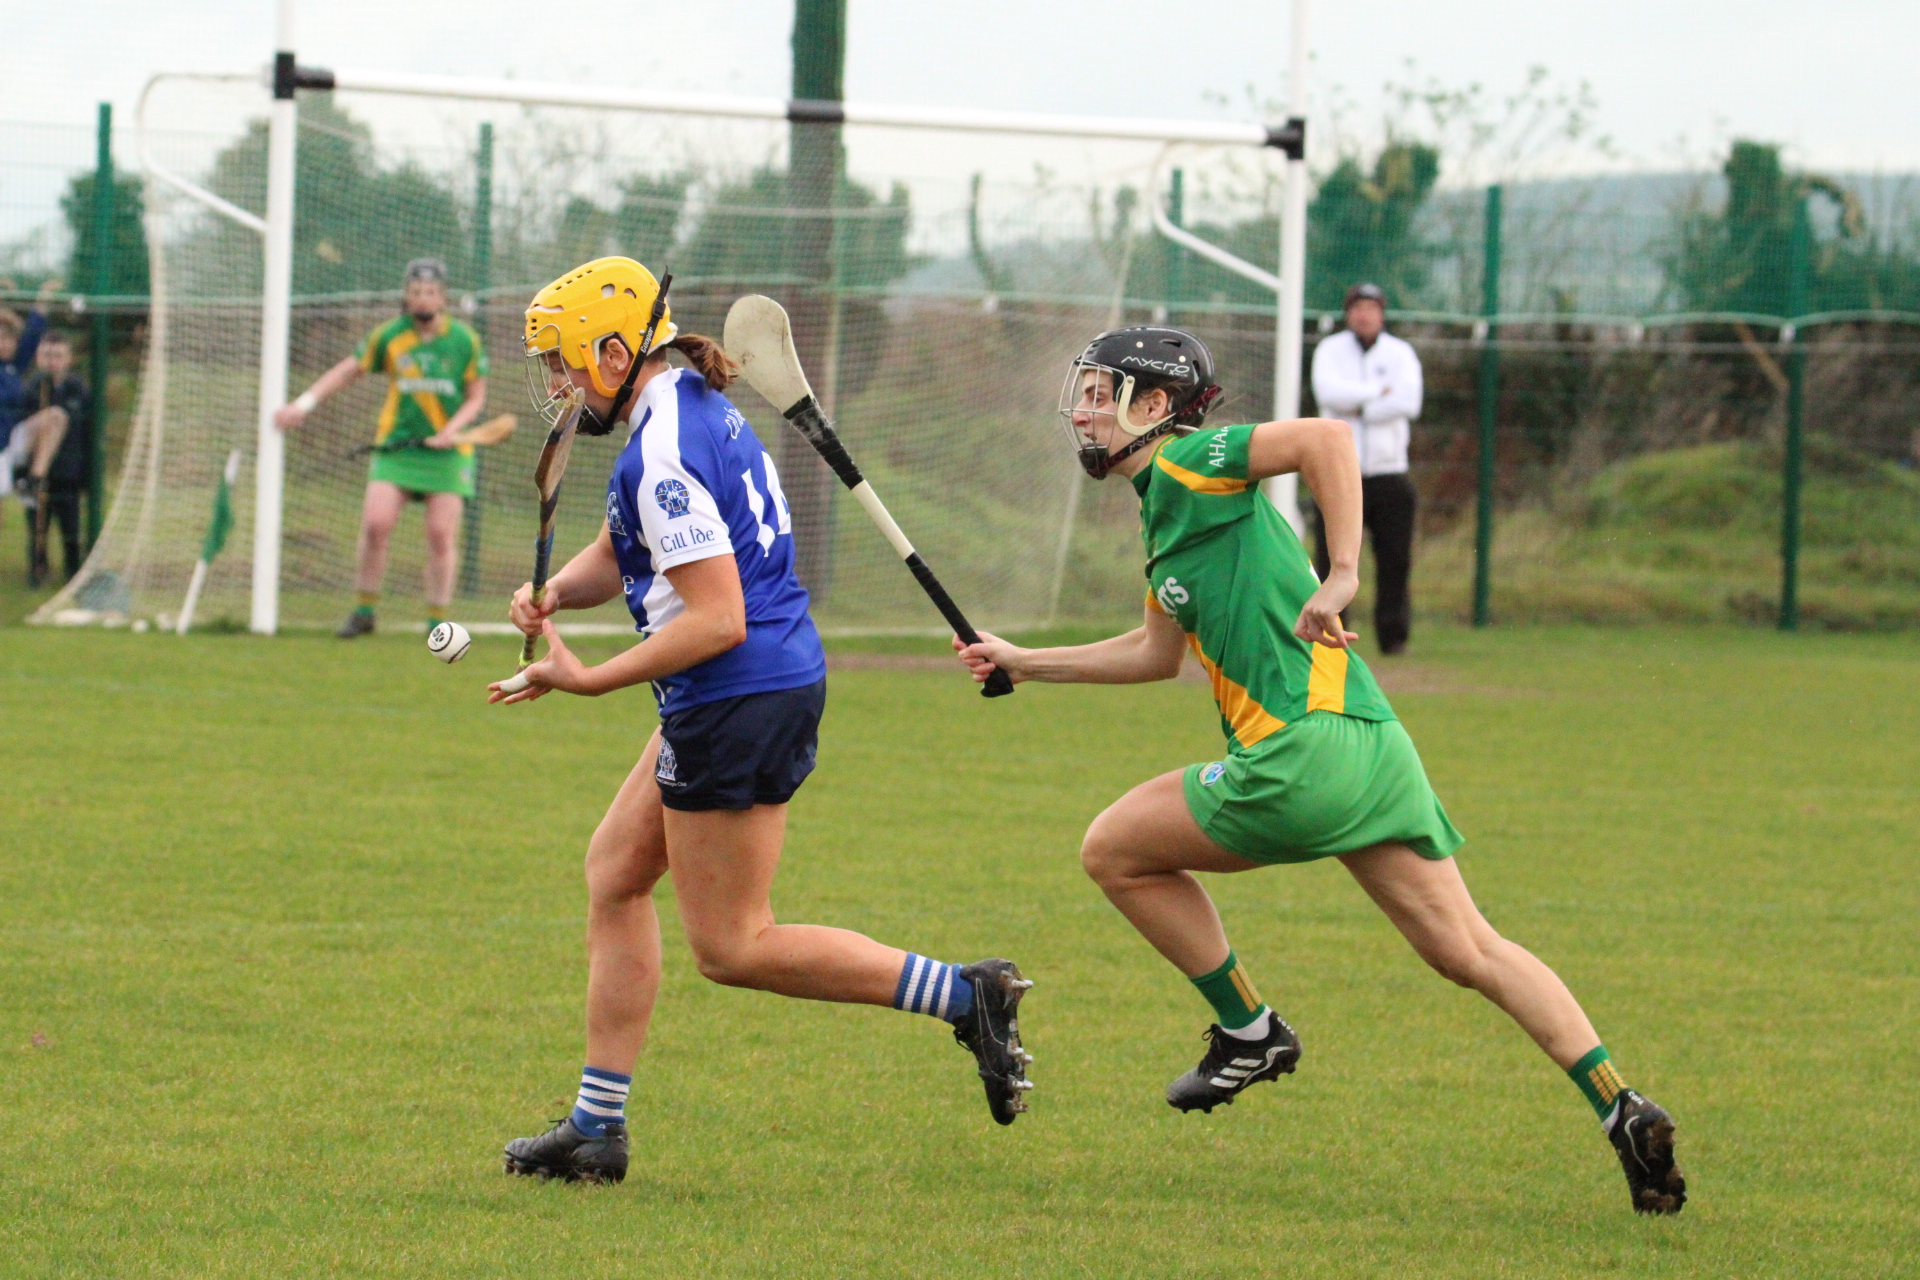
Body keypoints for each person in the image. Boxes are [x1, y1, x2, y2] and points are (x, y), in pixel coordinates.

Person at [953, 325, 1686, 1216]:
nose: (1082, 410)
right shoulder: (1166, 512)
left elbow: (1327, 439)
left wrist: (1342, 575)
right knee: (1471, 950)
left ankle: (1248, 1029)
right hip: (1371, 746)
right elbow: (1155, 653)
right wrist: (1024, 661)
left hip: (1296, 758)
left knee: (1113, 850)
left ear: (1156, 406)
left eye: (1102, 395)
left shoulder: (1187, 461)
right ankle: (1620, 1107)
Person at [488, 257, 1034, 1185]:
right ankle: (595, 1127)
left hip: (736, 693)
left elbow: (716, 618)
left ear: (615, 353)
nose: (558, 385)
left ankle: (964, 994)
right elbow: (627, 544)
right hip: (737, 686)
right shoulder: (688, 406)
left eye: (564, 363)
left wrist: (591, 679)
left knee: (734, 945)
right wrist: (556, 594)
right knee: (615, 874)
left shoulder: (663, 445)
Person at [274, 258, 488, 637]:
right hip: (396, 449)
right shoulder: (389, 335)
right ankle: (364, 612)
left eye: (431, 292)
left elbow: (476, 397)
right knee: (375, 525)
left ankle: (437, 622)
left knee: (441, 535)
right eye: (416, 291)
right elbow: (347, 371)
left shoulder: (464, 340)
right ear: (406, 296)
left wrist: (451, 430)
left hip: (448, 453)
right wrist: (302, 405)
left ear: (443, 298)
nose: (423, 298)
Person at [1309, 282, 1423, 655]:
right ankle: (1332, 631)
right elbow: (1329, 395)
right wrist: (1379, 393)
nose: (1364, 315)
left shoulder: (1400, 353)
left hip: (1389, 473)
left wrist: (1359, 406)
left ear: (1382, 314)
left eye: (1372, 308)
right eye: (1358, 307)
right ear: (1348, 313)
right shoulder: (1330, 350)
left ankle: (1393, 638)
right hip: (1339, 473)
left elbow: (1409, 402)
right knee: (1333, 559)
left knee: (1395, 560)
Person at [16, 331, 92, 584]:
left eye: (58, 355)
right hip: (38, 475)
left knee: (71, 528)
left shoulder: (79, 390)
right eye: (47, 355)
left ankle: (73, 573)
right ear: (38, 357)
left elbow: (88, 434)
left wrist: (85, 473)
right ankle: (37, 571)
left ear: (69, 359)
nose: (52, 361)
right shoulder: (30, 390)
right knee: (37, 528)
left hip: (69, 474)